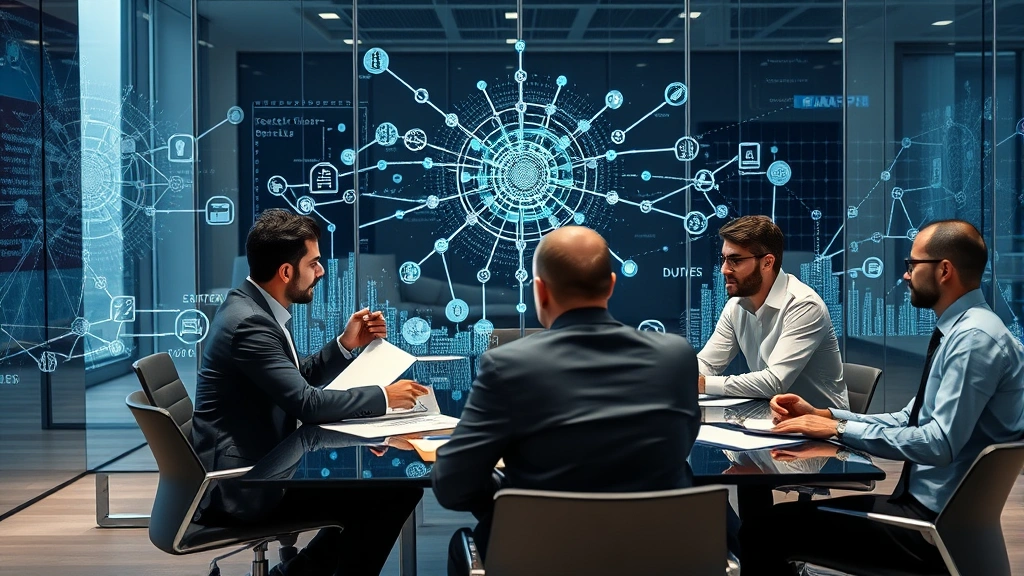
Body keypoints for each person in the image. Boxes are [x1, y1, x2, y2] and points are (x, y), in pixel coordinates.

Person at [742, 219, 1024, 575]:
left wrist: (838, 431)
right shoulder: (966, 331)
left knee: (763, 531)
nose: (905, 275)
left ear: (944, 271)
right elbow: (909, 419)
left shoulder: (974, 341)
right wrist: (827, 416)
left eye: (912, 264)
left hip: (929, 530)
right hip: (926, 513)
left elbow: (938, 443)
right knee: (770, 525)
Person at [431, 226, 704, 576]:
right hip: (657, 557)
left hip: (539, 558)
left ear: (540, 290)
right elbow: (679, 448)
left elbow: (452, 485)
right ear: (611, 284)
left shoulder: (507, 365)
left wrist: (511, 495)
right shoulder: (677, 356)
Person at [191, 209, 429, 576]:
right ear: (286, 272)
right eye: (314, 263)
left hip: (265, 462)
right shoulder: (250, 324)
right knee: (394, 491)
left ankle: (299, 573)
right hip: (245, 486)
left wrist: (346, 344)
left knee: (387, 491)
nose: (320, 272)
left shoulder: (255, 307)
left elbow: (295, 380)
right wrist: (384, 397)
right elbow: (306, 403)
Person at [697, 215, 849, 410]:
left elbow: (774, 382)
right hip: (770, 415)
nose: (724, 270)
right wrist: (684, 377)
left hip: (821, 422)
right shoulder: (735, 306)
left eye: (735, 260)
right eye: (724, 259)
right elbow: (708, 363)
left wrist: (703, 384)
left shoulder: (804, 305)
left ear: (767, 263)